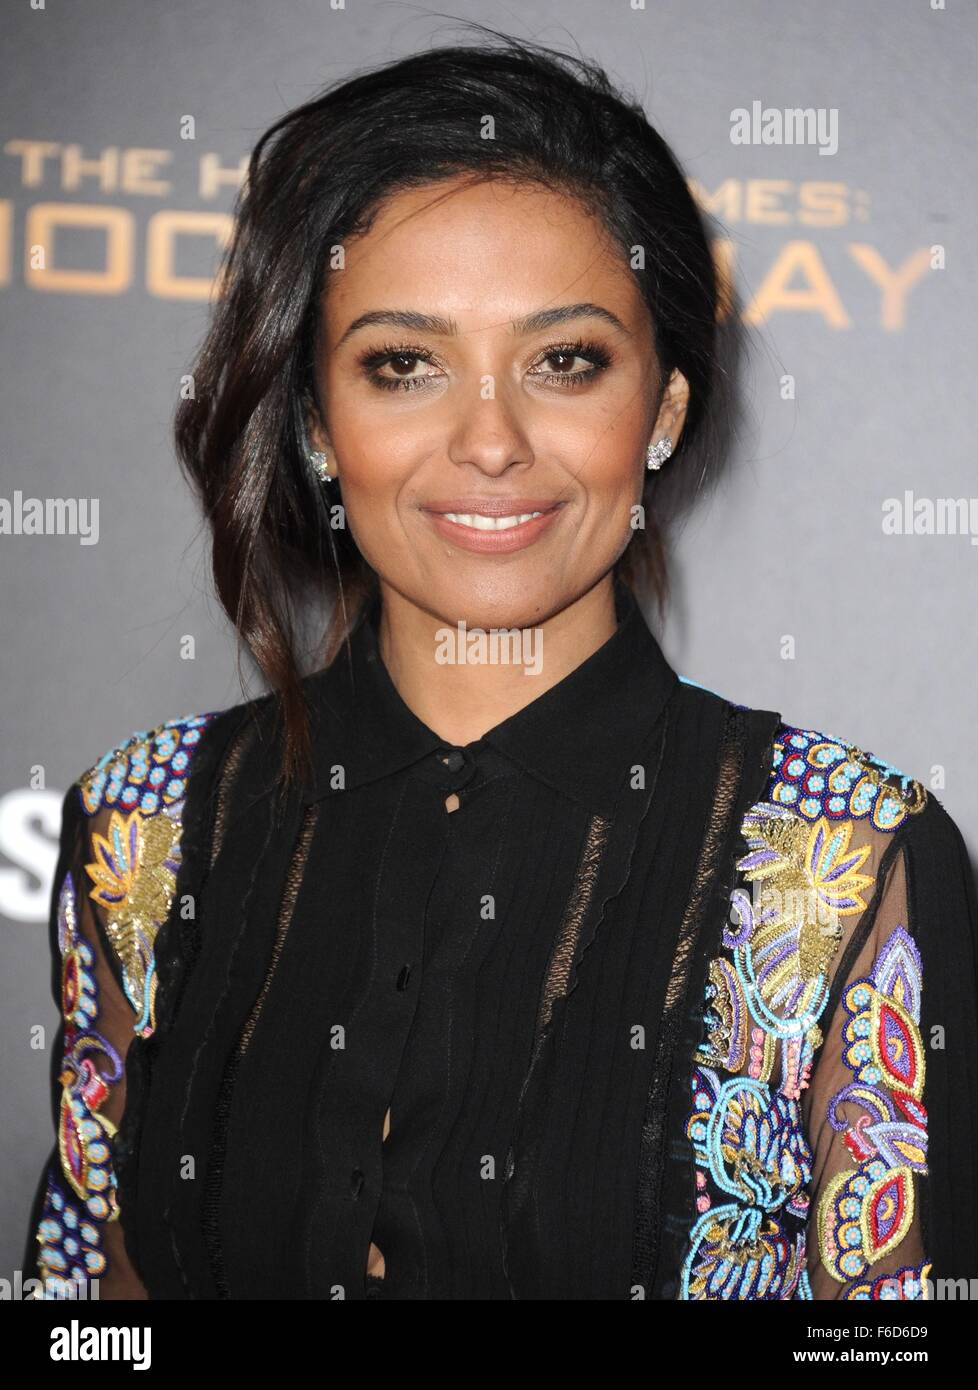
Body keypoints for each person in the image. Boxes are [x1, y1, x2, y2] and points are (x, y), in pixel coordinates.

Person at [23, 29, 978, 1301]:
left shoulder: (845, 861)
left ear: (667, 408)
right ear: (315, 418)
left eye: (565, 360)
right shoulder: (142, 830)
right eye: (402, 364)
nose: (490, 441)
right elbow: (88, 1316)